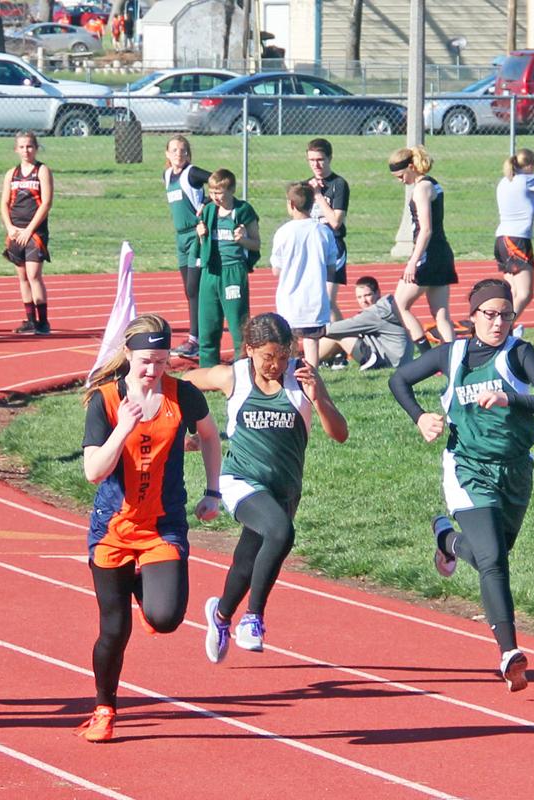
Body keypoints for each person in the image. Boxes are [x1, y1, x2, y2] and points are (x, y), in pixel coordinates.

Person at [389, 278, 534, 692]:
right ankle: (509, 653)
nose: (499, 322)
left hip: (515, 470)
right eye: (490, 314)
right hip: (467, 467)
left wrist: (511, 397)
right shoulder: (451, 355)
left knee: (495, 553)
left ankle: (447, 540)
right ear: (472, 317)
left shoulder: (520, 354)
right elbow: (398, 381)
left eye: (507, 314)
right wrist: (419, 417)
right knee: (493, 561)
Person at [77, 313, 222, 743]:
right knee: (114, 628)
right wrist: (124, 427)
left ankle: (150, 591)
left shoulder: (184, 395)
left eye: (161, 360)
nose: (152, 369)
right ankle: (105, 708)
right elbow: (93, 472)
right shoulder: (104, 401)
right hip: (114, 528)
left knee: (166, 617)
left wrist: (213, 491)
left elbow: (211, 437)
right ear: (127, 355)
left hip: (163, 524)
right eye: (145, 360)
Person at [185, 313, 347, 663]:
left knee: (247, 562)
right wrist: (192, 430)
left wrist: (318, 398)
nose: (276, 365)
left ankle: (221, 615)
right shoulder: (233, 376)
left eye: (283, 356)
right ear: (250, 350)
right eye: (268, 357)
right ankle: (253, 618)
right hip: (240, 480)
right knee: (280, 532)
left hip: (284, 488)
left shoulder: (303, 377)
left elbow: (340, 433)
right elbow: (184, 383)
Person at [389, 145, 457, 351]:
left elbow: (426, 229)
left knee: (399, 306)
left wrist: (412, 262)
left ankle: (427, 355)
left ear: (411, 166)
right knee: (440, 313)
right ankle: (454, 358)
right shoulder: (433, 184)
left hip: (428, 255)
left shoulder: (421, 188)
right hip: (442, 252)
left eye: (401, 175)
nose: (400, 181)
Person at [195, 168, 259, 367]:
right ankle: (207, 369)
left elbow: (256, 244)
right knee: (207, 325)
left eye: (219, 192)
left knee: (238, 325)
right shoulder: (208, 210)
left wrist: (243, 240)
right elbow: (201, 244)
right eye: (211, 192)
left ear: (231, 190)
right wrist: (200, 234)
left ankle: (243, 367)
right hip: (210, 271)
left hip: (233, 271)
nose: (214, 197)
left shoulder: (243, 211)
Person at [269, 182, 336, 368]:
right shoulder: (323, 231)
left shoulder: (283, 232)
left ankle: (288, 374)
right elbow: (331, 267)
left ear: (291, 204)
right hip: (314, 298)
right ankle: (312, 376)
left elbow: (277, 269)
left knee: (288, 339)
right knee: (311, 341)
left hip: (289, 298)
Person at [162, 135, 211, 358]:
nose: (178, 154)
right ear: (167, 154)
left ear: (188, 154)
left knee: (194, 288)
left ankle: (196, 340)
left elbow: (218, 180)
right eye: (174, 150)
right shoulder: (166, 175)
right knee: (188, 290)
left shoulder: (191, 173)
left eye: (182, 150)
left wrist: (207, 203)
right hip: (180, 238)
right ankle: (198, 337)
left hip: (196, 235)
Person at [0, 131, 53, 334]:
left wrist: (29, 230)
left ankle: (43, 321)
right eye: (22, 147)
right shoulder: (11, 174)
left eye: (29, 146)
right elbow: (4, 203)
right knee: (22, 276)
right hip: (15, 231)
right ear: (16, 149)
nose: (26, 150)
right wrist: (10, 228)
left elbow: (46, 202)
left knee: (34, 275)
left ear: (36, 148)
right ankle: (30, 319)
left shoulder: (42, 171)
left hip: (35, 231)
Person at [494, 149, 534, 332]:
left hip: (501, 239)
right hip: (518, 239)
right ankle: (505, 328)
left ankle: (502, 326)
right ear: (530, 165)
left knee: (512, 292)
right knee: (525, 293)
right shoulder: (531, 180)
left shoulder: (504, 181)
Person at [318, 276, 413, 371]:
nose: (363, 301)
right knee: (343, 332)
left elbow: (333, 329)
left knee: (338, 335)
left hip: (389, 362)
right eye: (359, 297)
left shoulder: (375, 313)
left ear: (378, 293)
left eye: (367, 295)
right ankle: (320, 360)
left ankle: (307, 361)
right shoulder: (388, 305)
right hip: (399, 359)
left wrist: (308, 332)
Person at [304, 138, 350, 324]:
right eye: (311, 160)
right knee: (312, 301)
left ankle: (340, 344)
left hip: (333, 247)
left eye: (320, 159)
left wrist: (317, 196)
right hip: (311, 247)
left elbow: (336, 221)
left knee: (328, 302)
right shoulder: (306, 185)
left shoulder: (338, 185)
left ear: (329, 158)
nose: (316, 164)